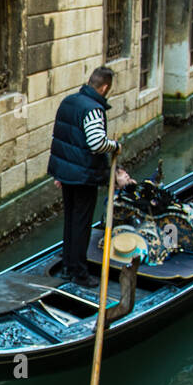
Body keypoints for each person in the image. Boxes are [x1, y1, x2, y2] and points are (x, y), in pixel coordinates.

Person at [48, 67, 120, 284]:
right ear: (105, 87)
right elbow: (96, 143)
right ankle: (78, 272)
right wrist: (115, 146)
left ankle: (68, 264)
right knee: (81, 222)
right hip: (83, 174)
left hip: (67, 172)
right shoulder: (93, 109)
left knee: (70, 219)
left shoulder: (68, 101)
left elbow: (62, 137)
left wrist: (60, 173)